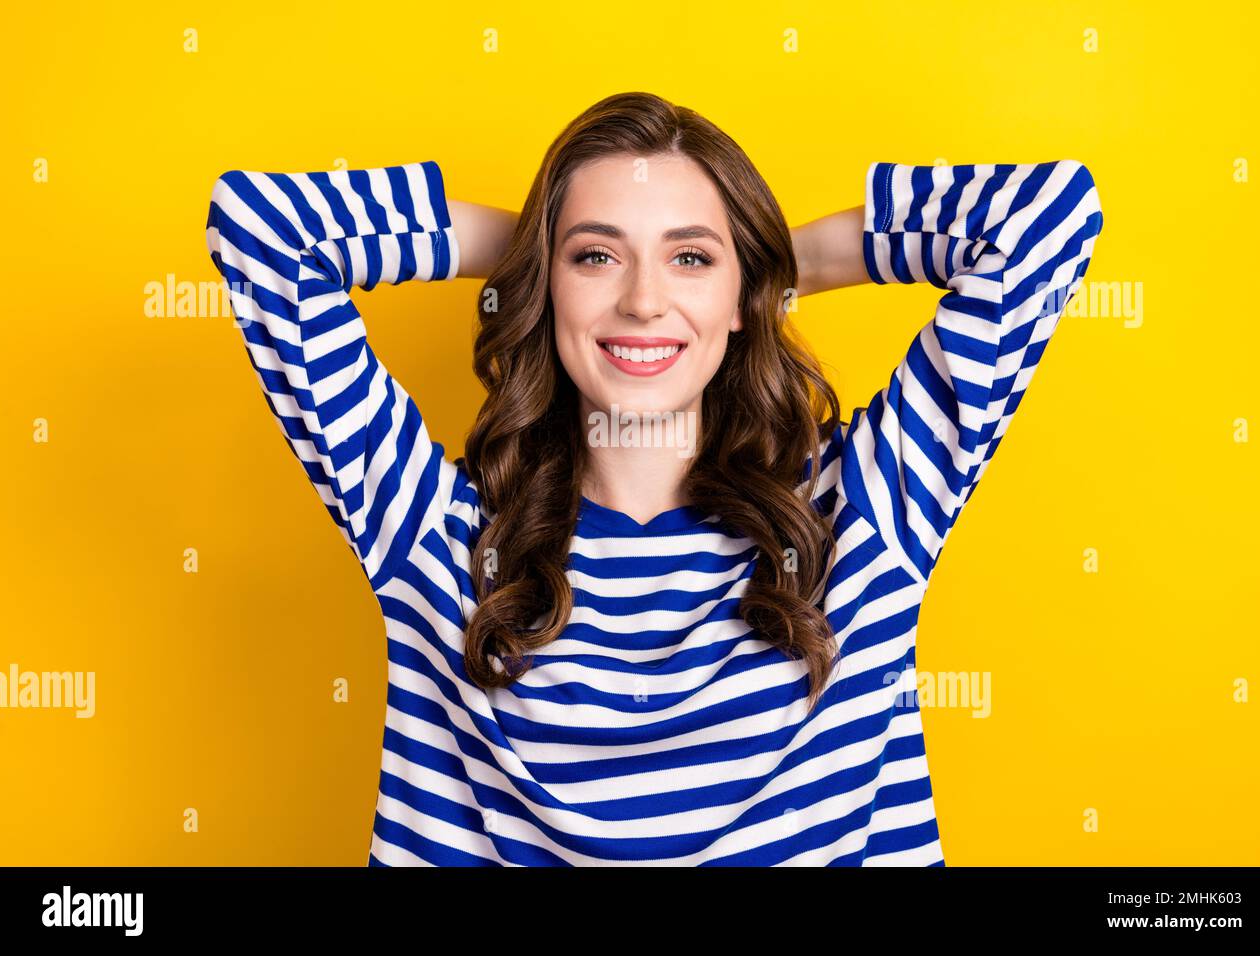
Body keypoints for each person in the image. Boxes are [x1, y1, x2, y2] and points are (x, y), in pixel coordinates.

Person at [204, 90, 1104, 866]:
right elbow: (262, 230)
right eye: (596, 256)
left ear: (742, 295)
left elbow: (1046, 215)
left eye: (690, 258)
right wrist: (534, 251)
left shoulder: (865, 507)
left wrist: (775, 267)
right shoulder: (432, 532)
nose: (642, 299)